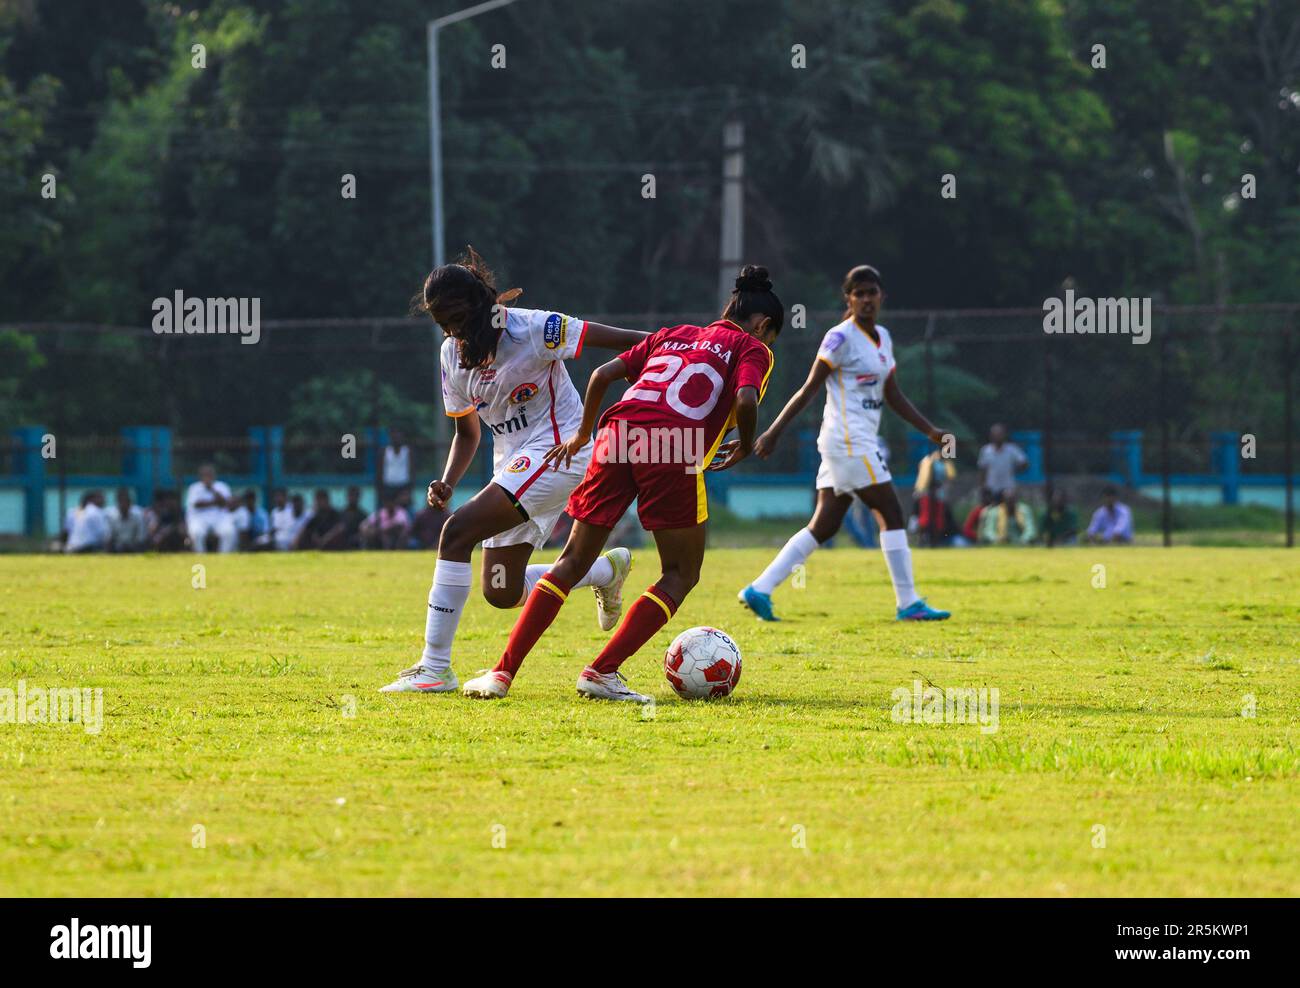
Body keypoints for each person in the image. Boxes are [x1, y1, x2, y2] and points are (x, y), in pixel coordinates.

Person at [461, 264, 782, 702]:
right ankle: (600, 672)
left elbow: (601, 376)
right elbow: (745, 398)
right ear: (764, 326)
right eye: (770, 335)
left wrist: (581, 434)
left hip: (617, 433)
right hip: (672, 445)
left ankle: (501, 674)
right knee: (680, 573)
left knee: (571, 560)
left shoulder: (674, 333)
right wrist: (745, 444)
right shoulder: (753, 348)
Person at [380, 247, 647, 694]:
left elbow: (628, 340)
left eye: (458, 321)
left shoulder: (536, 328)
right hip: (514, 466)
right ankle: (604, 571)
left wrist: (686, 349)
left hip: (560, 453)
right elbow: (467, 435)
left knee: (456, 532)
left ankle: (435, 668)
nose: (452, 333)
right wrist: (448, 481)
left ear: (482, 308)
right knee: (501, 591)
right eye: (443, 325)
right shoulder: (451, 355)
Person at [737, 264, 951, 622]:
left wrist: (930, 430)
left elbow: (892, 393)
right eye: (859, 293)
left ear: (883, 296)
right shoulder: (839, 338)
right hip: (849, 442)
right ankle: (909, 602)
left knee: (824, 525)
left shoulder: (883, 337)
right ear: (848, 298)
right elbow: (809, 389)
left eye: (872, 292)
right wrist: (774, 430)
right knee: (892, 513)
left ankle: (759, 588)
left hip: (850, 445)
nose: (866, 299)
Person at [185, 464, 237, 553]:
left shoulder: (221, 486)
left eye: (210, 474)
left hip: (219, 519)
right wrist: (215, 502)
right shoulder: (194, 488)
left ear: (214, 475)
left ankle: (223, 559)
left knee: (229, 532)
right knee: (196, 533)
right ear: (200, 476)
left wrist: (212, 489)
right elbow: (197, 504)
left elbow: (226, 503)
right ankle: (201, 558)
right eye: (205, 475)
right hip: (200, 519)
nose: (207, 477)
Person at [977, 424, 1027, 499]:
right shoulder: (986, 450)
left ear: (1004, 435)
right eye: (995, 434)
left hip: (1008, 488)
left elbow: (1024, 463)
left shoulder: (1012, 449)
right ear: (991, 436)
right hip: (991, 488)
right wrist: (982, 486)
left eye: (1000, 434)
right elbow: (982, 470)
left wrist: (1015, 469)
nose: (997, 436)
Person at [106, 486, 147, 552]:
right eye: (121, 502)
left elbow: (140, 538)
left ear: (130, 504)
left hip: (133, 547)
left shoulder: (137, 517)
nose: (123, 505)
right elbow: (109, 537)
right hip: (118, 548)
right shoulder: (112, 518)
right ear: (118, 503)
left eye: (125, 502)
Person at [382, 431, 411, 503]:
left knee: (407, 510)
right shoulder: (384, 451)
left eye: (398, 436)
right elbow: (380, 471)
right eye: (394, 437)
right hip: (388, 487)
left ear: (402, 437)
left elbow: (412, 471)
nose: (396, 439)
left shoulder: (408, 451)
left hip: (403, 487)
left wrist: (408, 490)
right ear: (391, 437)